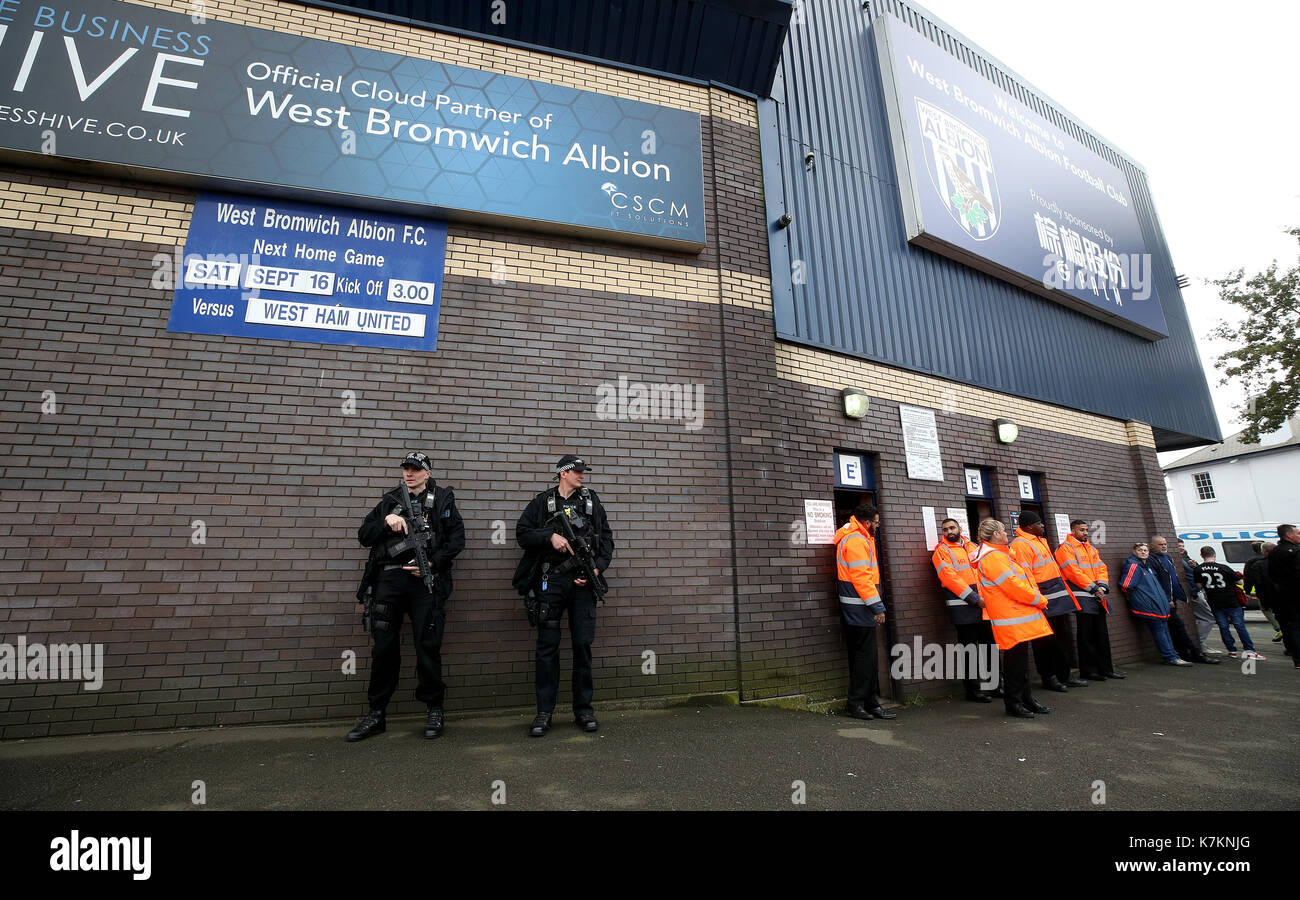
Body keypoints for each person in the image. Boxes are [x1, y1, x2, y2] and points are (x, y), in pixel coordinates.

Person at [347, 452, 466, 741]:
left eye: (415, 469)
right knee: (383, 648)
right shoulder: (389, 500)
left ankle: (434, 709)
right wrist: (386, 521)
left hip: (425, 583)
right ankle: (377, 713)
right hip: (389, 580)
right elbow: (364, 535)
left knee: (428, 644)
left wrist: (434, 563)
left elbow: (457, 540)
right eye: (406, 469)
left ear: (427, 473)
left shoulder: (443, 500)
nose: (409, 474)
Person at [514, 455, 614, 737]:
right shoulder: (542, 503)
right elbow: (522, 534)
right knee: (547, 648)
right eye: (578, 472)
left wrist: (596, 567)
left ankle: (584, 710)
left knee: (583, 646)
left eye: (583, 472)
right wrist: (549, 537)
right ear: (563, 473)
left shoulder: (592, 503)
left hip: (583, 584)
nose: (582, 476)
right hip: (551, 581)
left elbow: (607, 541)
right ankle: (544, 712)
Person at [970, 518, 1054, 719]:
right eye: (1004, 531)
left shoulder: (998, 555)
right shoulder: (993, 558)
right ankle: (1014, 703)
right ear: (996, 535)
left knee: (1020, 664)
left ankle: (1025, 700)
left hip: (1017, 617)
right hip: (1012, 617)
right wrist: (1039, 600)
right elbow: (1013, 586)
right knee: (1015, 665)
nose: (1008, 534)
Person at [1009, 511, 1089, 692]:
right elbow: (1026, 575)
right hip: (1042, 600)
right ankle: (1049, 677)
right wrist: (1037, 600)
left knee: (1061, 637)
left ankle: (1065, 674)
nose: (1043, 526)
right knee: (1044, 642)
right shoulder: (1021, 545)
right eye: (1040, 524)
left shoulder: (1039, 540)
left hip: (1056, 597)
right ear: (1029, 526)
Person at [834, 504, 897, 721]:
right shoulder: (856, 541)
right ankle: (856, 704)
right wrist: (877, 607)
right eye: (877, 523)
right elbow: (861, 577)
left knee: (866, 658)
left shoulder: (857, 537)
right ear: (868, 523)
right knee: (865, 659)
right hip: (859, 608)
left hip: (857, 607)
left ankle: (870, 703)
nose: (877, 527)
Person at [932, 518, 996, 702]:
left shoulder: (972, 547)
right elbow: (950, 579)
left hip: (983, 606)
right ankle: (973, 690)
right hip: (963, 607)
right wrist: (975, 598)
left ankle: (994, 686)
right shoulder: (941, 552)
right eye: (945, 529)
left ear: (959, 528)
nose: (949, 531)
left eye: (952, 527)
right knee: (969, 650)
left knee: (989, 646)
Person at [1056, 519, 1124, 680]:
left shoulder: (1091, 548)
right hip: (1083, 595)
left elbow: (1101, 568)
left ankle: (1106, 669)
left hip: (1097, 595)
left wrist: (1102, 587)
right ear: (1073, 531)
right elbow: (1072, 572)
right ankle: (1089, 671)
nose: (1086, 533)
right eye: (1082, 530)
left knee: (1101, 635)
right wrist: (1095, 588)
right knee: (1086, 636)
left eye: (1087, 530)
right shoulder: (1065, 548)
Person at [1149, 535, 1219, 665]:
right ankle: (1195, 653)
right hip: (1165, 601)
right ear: (1152, 546)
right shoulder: (1152, 560)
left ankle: (1185, 654)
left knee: (1175, 628)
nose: (1164, 546)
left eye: (1165, 544)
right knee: (1178, 626)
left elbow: (1172, 577)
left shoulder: (1168, 558)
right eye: (1160, 544)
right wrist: (1167, 598)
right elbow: (1157, 582)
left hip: (1173, 598)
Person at [1120, 543, 1191, 666]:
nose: (1143, 552)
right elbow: (1126, 585)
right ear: (1134, 551)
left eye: (1145, 550)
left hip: (1157, 605)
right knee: (1159, 630)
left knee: (1163, 629)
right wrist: (1139, 598)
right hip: (1148, 605)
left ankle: (1172, 655)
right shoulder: (1134, 566)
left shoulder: (1147, 566)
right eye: (1140, 550)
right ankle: (1170, 657)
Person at [1194, 547, 1264, 660]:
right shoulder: (1223, 567)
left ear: (1202, 555)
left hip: (1214, 601)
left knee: (1223, 626)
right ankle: (1250, 650)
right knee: (1239, 626)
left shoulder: (1198, 569)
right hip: (1231, 600)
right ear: (1214, 555)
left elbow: (1199, 586)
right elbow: (1239, 581)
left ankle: (1231, 650)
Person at [1266, 524, 1300, 668]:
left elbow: (1271, 575)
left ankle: (1295, 656)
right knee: (1297, 627)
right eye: (1298, 533)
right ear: (1289, 535)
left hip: (1281, 596)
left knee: (1288, 627)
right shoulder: (1295, 552)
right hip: (1295, 595)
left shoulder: (1274, 552)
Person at [1178, 538, 1219, 654]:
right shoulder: (1178, 560)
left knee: (1201, 619)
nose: (1182, 548)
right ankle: (1198, 644)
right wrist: (1194, 592)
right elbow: (1186, 578)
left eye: (1182, 545)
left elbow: (1194, 574)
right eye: (1179, 546)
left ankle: (1200, 643)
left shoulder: (1185, 558)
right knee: (1208, 618)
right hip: (1193, 593)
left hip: (1196, 592)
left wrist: (1194, 565)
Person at [1243, 541, 1282, 642]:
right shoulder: (1280, 559)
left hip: (1264, 591)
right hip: (1281, 590)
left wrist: (1247, 591)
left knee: (1265, 609)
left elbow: (1248, 578)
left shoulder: (1252, 561)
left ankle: (1278, 629)